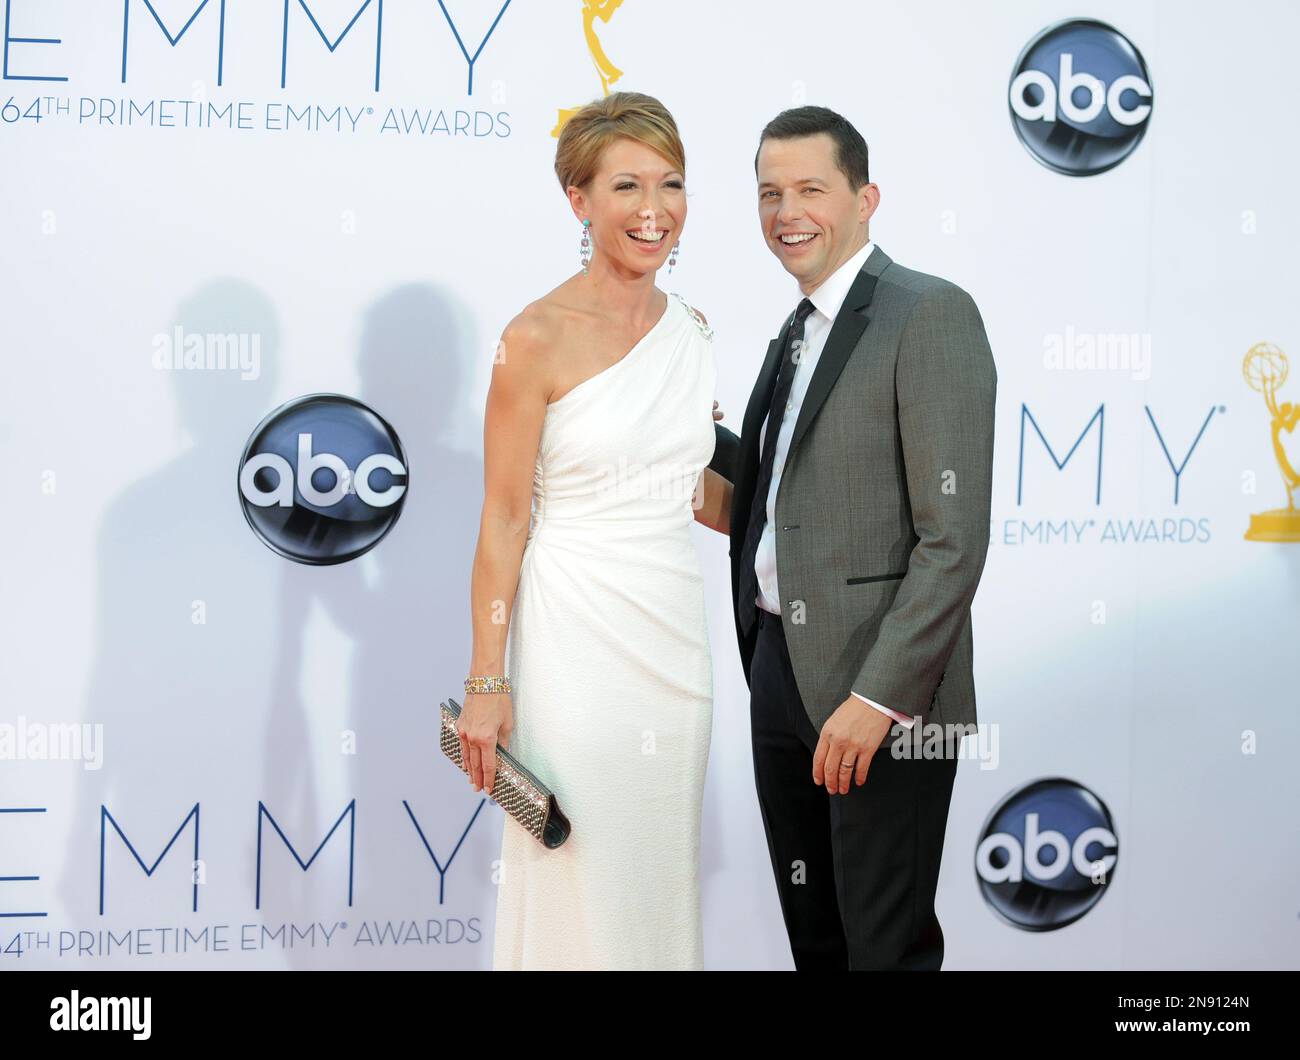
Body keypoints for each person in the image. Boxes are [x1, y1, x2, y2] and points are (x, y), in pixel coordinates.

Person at [713, 106, 996, 970]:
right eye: (769, 193)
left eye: (810, 189)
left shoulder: (928, 313)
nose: (786, 212)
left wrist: (880, 699)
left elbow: (953, 540)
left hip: (883, 689)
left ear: (865, 199)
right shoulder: (796, 330)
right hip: (779, 672)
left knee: (884, 950)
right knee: (819, 946)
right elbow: (787, 492)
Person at [459, 91, 731, 970]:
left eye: (671, 183)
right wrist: (488, 679)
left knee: (657, 874)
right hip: (575, 636)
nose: (654, 209)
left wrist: (803, 528)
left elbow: (688, 489)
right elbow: (505, 517)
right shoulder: (534, 336)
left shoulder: (691, 331)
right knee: (583, 869)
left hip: (672, 639)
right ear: (578, 199)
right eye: (626, 186)